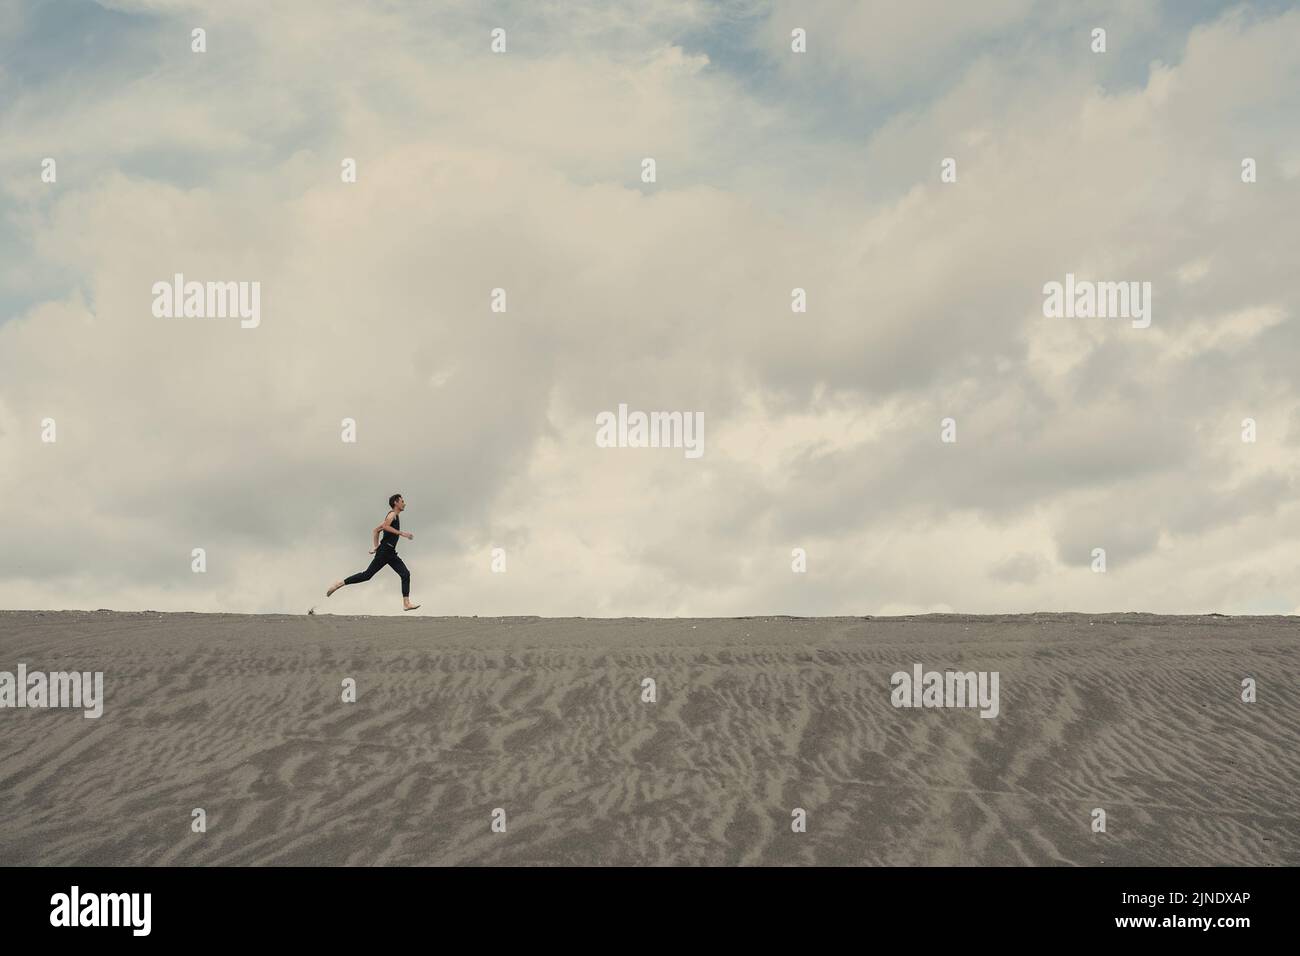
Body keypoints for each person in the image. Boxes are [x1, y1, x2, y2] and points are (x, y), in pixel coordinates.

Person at [326, 493, 420, 610]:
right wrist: (402, 533)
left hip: (390, 553)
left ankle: (406, 603)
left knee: (405, 574)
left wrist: (375, 546)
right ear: (396, 503)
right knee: (367, 575)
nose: (404, 503)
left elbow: (376, 530)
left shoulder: (394, 516)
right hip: (385, 551)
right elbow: (385, 526)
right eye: (402, 501)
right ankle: (339, 583)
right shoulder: (392, 515)